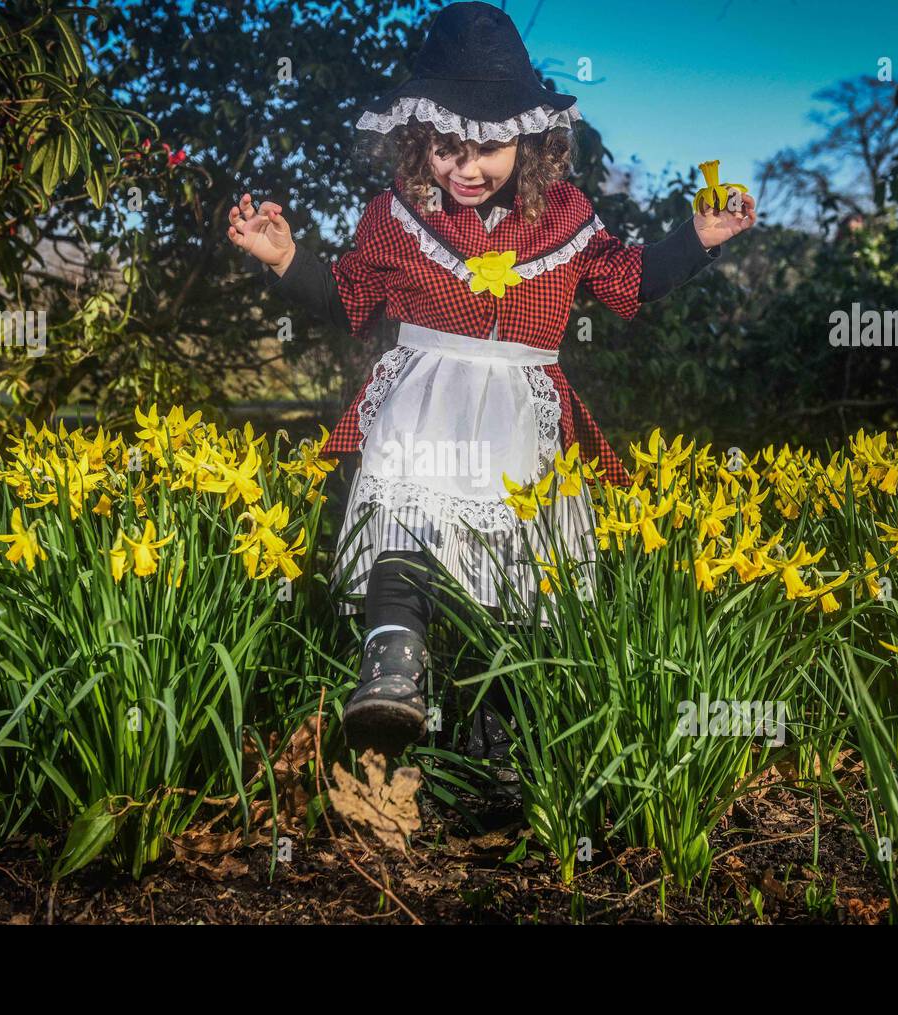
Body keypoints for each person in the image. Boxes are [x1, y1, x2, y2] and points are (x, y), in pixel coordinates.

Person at [227, 1, 756, 757]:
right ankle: (392, 668)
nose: (464, 169)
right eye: (443, 149)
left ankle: (497, 727)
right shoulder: (397, 214)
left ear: (530, 140)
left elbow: (626, 279)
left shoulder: (569, 215)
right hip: (423, 398)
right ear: (418, 141)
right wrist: (283, 257)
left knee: (521, 562)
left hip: (523, 409)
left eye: (486, 149)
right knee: (407, 524)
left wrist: (697, 239)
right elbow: (348, 298)